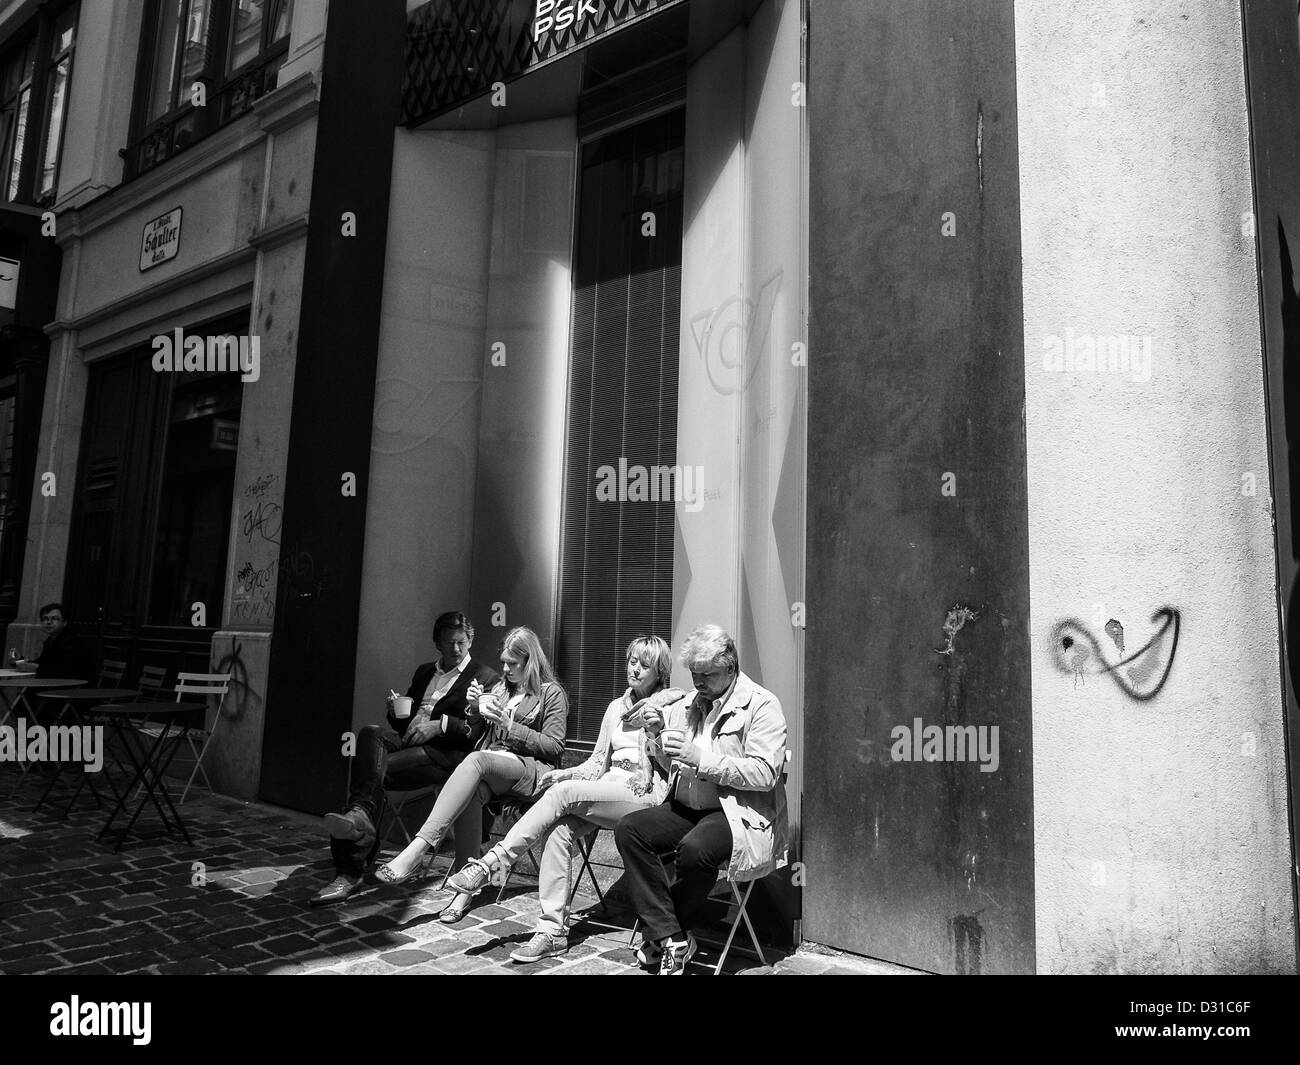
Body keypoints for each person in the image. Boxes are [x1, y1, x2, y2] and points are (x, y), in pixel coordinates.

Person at [443, 636, 685, 962]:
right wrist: (565, 774)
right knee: (558, 832)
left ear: (660, 672)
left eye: (645, 665)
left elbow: (674, 769)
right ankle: (552, 932)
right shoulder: (616, 708)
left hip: (643, 795)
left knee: (563, 794)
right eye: (632, 661)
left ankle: (489, 865)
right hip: (605, 790)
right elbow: (598, 763)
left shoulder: (672, 707)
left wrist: (656, 731)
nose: (635, 669)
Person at [614, 624, 789, 975]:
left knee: (694, 850)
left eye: (706, 675)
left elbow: (765, 773)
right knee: (630, 830)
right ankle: (675, 937)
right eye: (694, 674)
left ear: (730, 667)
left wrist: (700, 758)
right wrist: (656, 737)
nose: (698, 683)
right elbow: (669, 763)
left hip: (735, 811)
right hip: (685, 804)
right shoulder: (689, 704)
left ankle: (663, 936)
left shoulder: (762, 705)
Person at [374, 626, 567, 923]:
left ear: (530, 662)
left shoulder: (551, 693)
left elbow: (554, 747)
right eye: (503, 661)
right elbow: (474, 733)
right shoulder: (501, 689)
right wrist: (475, 710)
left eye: (512, 664)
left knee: (475, 762)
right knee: (472, 792)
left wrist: (510, 726)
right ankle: (464, 889)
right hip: (492, 766)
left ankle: (418, 847)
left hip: (529, 770)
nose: (505, 669)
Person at [310, 611, 499, 907]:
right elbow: (404, 723)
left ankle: (349, 870)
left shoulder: (485, 677)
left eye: (461, 642)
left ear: (470, 640)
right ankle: (360, 817)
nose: (456, 649)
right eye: (449, 643)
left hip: (442, 754)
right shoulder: (425, 671)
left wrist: (438, 725)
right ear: (437, 643)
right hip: (409, 743)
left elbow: (473, 733)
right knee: (371, 734)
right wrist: (395, 710)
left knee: (370, 777)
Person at [12, 602, 89, 680]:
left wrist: (37, 668)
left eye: (55, 618)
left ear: (64, 622)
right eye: (45, 619)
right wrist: (19, 660)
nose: (49, 622)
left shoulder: (72, 642)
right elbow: (41, 663)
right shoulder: (50, 641)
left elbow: (69, 672)